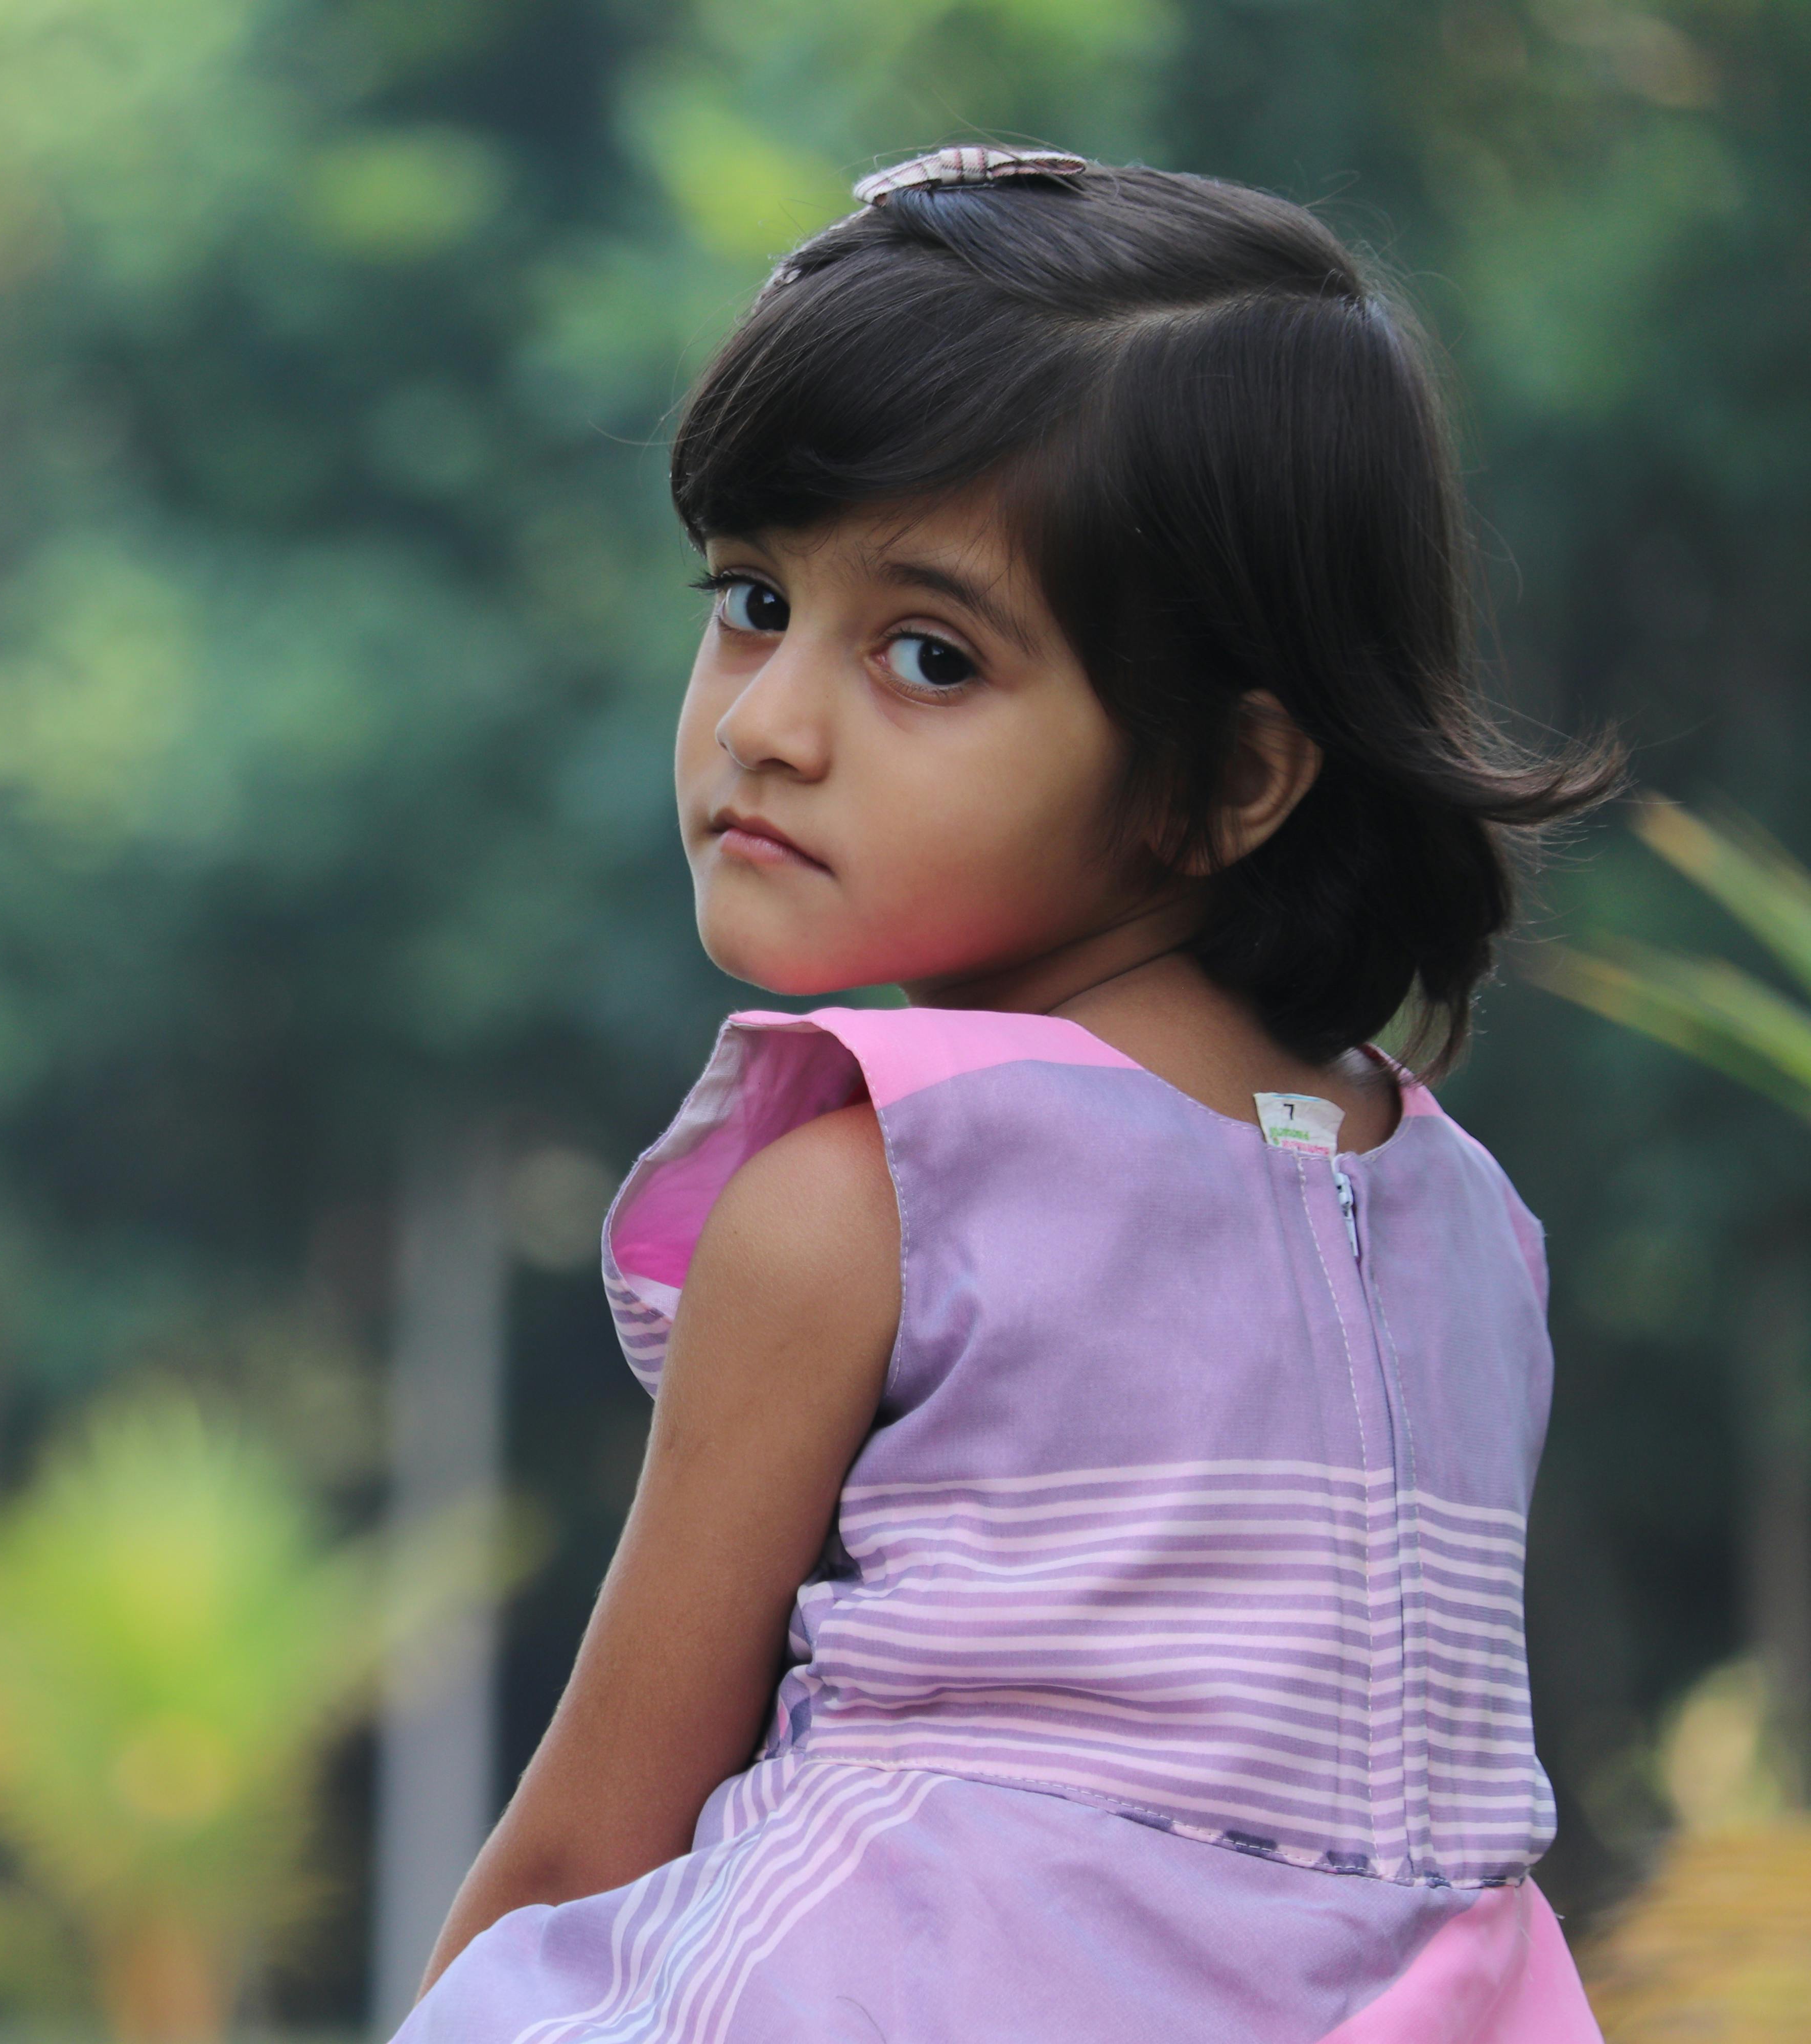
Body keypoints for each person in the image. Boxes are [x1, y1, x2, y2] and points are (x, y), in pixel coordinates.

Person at [393, 147, 1622, 2043]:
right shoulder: (1479, 1228)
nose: (767, 722)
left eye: (929, 656)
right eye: (747, 597)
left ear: (1228, 779)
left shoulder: (866, 1194)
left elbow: (589, 1848)